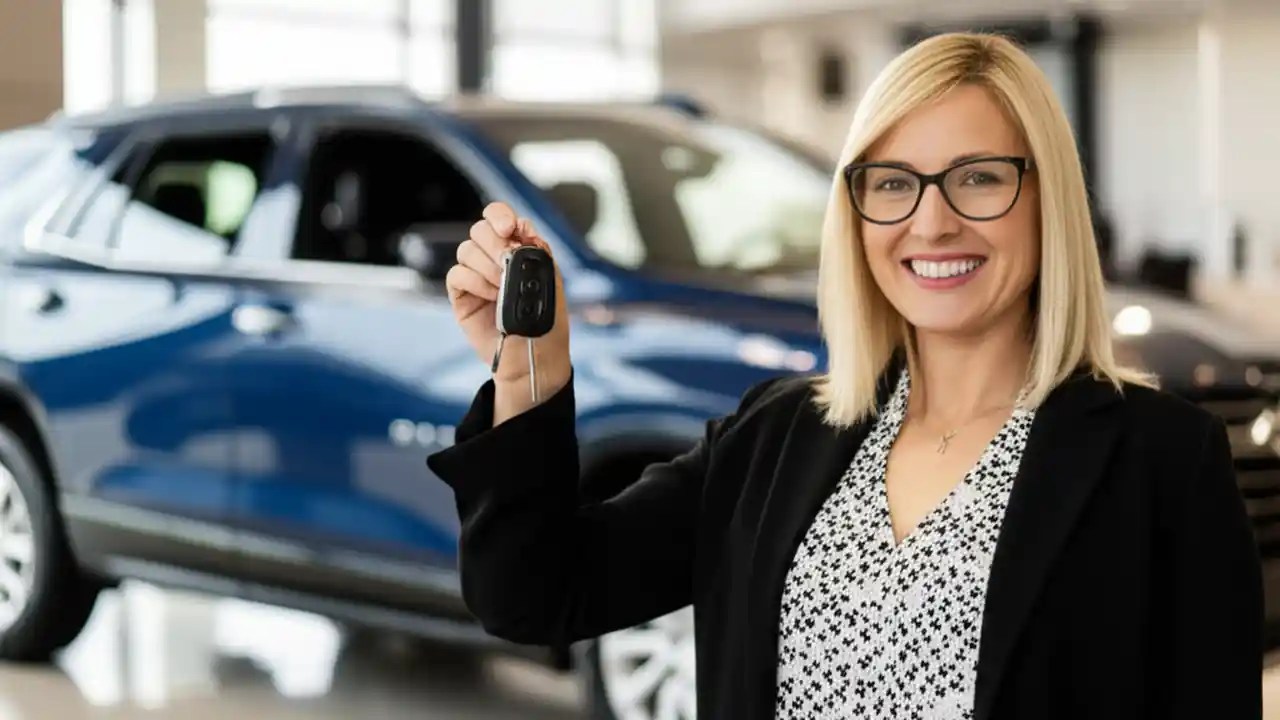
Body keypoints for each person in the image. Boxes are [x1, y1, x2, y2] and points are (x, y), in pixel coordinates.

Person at [427, 31, 1263, 720]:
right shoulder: (775, 435)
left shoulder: (1164, 462)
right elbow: (532, 593)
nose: (931, 222)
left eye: (978, 178)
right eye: (892, 184)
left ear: (1049, 202)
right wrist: (530, 376)